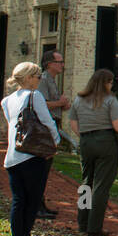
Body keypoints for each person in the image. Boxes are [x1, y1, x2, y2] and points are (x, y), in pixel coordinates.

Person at [0, 62, 61, 236]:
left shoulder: (7, 101)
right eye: (36, 76)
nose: (39, 79)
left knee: (19, 201)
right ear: (27, 78)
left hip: (13, 157)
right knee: (32, 202)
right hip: (32, 156)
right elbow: (47, 122)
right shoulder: (34, 97)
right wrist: (55, 142)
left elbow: (13, 126)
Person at [68, 68, 118, 236]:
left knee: (86, 183)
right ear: (106, 83)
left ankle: (83, 223)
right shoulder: (110, 100)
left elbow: (73, 123)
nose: (111, 85)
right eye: (110, 82)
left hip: (86, 141)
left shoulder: (79, 99)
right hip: (106, 142)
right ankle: (94, 227)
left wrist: (85, 135)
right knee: (101, 186)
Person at [36, 50, 71, 218]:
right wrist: (59, 103)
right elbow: (40, 104)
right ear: (50, 64)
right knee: (42, 166)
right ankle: (37, 206)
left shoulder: (52, 80)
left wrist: (62, 105)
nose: (62, 65)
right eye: (60, 61)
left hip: (52, 124)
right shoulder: (43, 80)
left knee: (46, 166)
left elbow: (53, 104)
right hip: (45, 127)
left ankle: (40, 203)